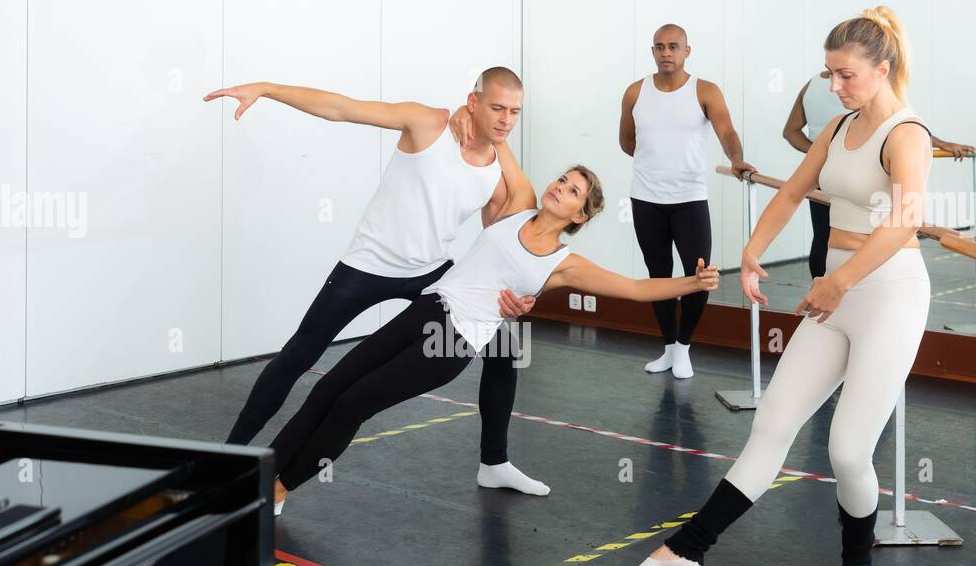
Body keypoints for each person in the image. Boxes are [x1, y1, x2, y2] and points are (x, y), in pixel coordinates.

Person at [618, 6, 933, 566]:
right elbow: (792, 191)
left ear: (882, 68)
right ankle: (685, 550)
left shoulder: (907, 134)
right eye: (829, 74)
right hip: (836, 287)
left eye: (844, 76)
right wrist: (754, 250)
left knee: (847, 449)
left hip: (889, 293)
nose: (833, 87)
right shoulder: (838, 129)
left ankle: (859, 565)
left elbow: (903, 223)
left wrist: (839, 284)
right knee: (770, 427)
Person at [267, 153, 720, 514]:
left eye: (572, 191)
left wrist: (692, 283)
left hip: (450, 343)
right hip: (426, 309)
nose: (560, 188)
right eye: (562, 180)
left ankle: (280, 490)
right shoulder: (515, 208)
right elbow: (497, 138)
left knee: (351, 405)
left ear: (580, 215)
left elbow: (637, 289)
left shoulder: (564, 265)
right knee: (328, 388)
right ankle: (255, 480)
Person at [205, 68, 554, 498]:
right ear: (473, 101)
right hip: (366, 266)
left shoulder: (499, 169)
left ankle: (494, 462)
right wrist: (267, 89)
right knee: (300, 353)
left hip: (431, 275)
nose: (505, 120)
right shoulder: (428, 123)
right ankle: (229, 455)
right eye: (497, 108)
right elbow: (341, 109)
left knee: (506, 347)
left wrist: (518, 296)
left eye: (514, 112)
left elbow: (517, 223)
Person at [619, 24, 755, 379]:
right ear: (653, 51)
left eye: (674, 47)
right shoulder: (635, 92)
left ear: (687, 51)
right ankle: (667, 347)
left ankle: (683, 347)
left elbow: (727, 132)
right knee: (658, 275)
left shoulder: (705, 91)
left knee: (701, 275)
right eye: (660, 47)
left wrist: (737, 158)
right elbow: (627, 141)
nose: (667, 53)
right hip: (645, 199)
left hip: (690, 199)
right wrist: (656, 159)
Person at [785, 71, 975, 278]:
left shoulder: (811, 85)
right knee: (874, 233)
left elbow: (791, 132)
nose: (836, 87)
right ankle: (837, 286)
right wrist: (940, 143)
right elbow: (888, 122)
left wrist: (822, 155)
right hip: (861, 172)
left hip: (826, 176)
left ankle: (823, 285)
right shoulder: (858, 86)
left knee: (823, 236)